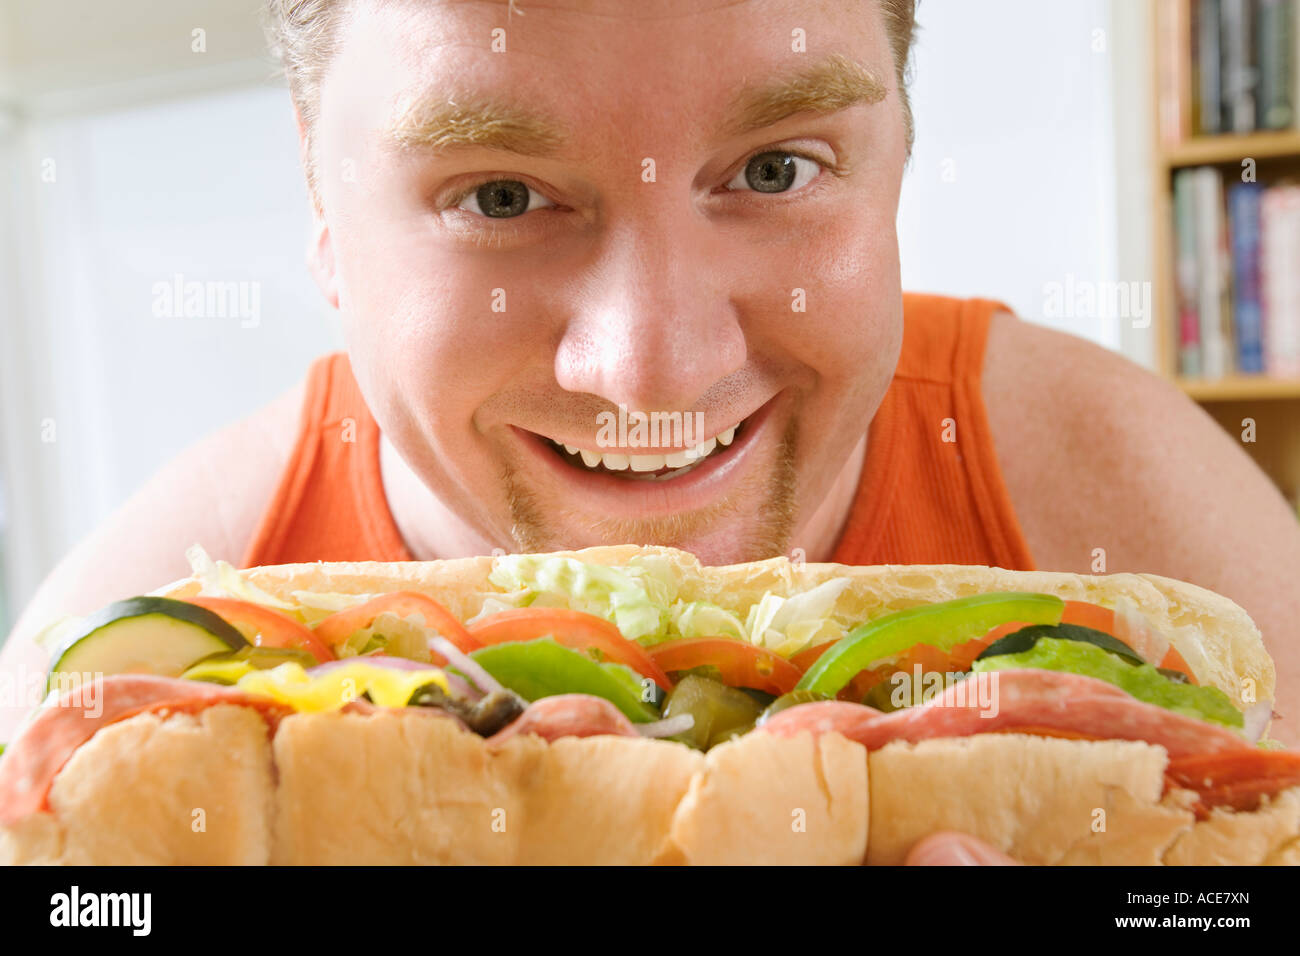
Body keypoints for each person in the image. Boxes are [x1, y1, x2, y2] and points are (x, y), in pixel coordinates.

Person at [3, 1, 1298, 864]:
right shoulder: (109, 665)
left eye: (778, 169)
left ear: (902, 150)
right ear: (320, 205)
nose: (651, 366)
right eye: (499, 195)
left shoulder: (1136, 504)